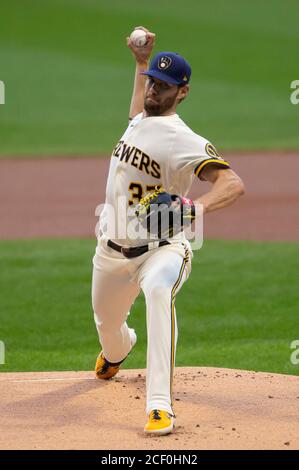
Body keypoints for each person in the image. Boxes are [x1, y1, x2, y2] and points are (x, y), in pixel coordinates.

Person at [92, 26, 244, 435]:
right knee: (109, 331)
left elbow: (232, 184)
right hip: (110, 253)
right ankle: (118, 350)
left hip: (162, 249)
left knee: (159, 291)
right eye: (151, 83)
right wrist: (140, 64)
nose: (153, 90)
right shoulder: (141, 118)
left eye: (164, 86)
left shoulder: (184, 139)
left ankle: (160, 406)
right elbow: (137, 115)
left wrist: (193, 209)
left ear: (183, 92)